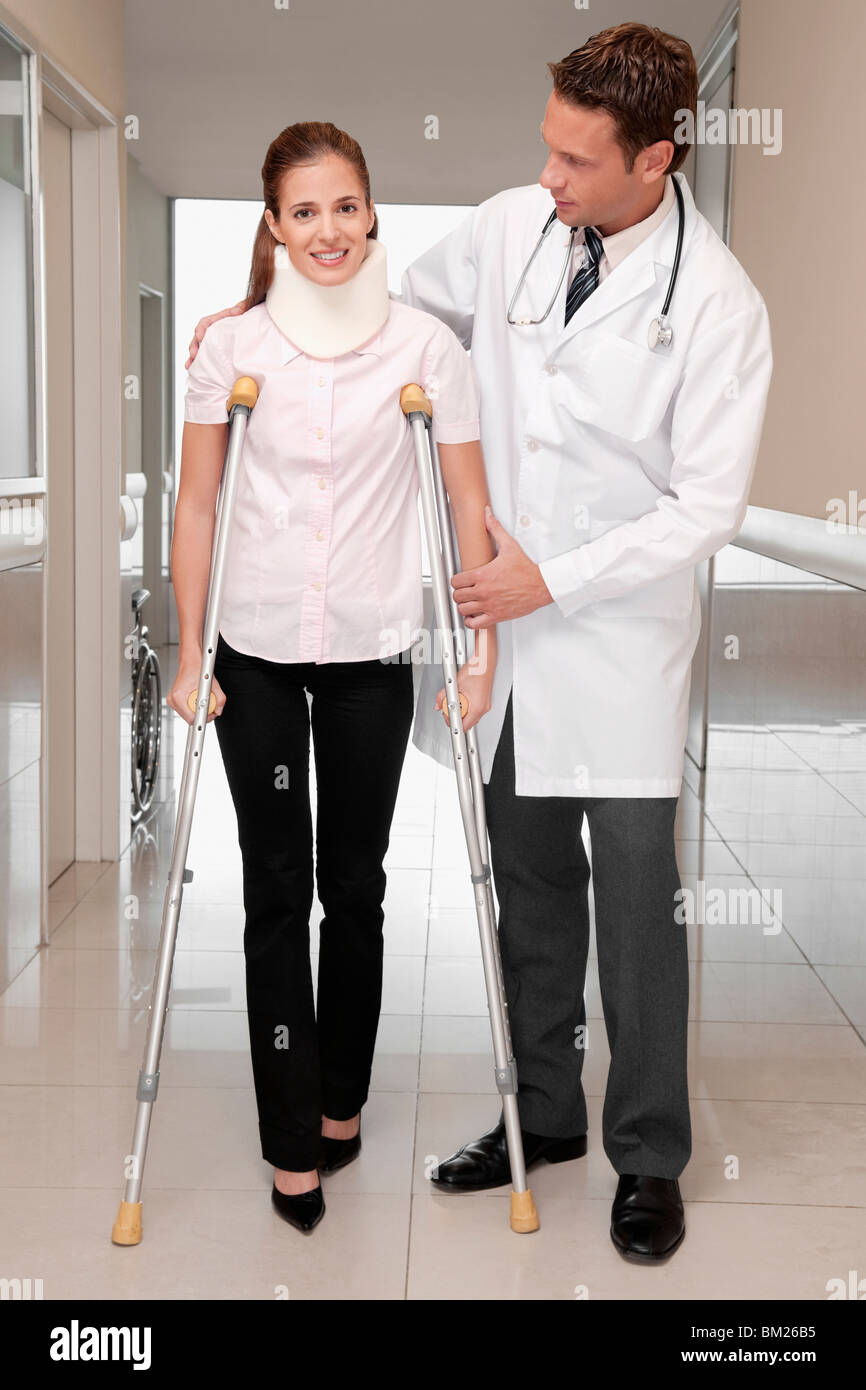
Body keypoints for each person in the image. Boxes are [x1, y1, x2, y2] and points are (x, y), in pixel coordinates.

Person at [187, 24, 774, 1262]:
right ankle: (544, 1118)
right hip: (498, 647)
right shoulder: (513, 223)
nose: (546, 177)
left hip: (613, 641)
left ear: (656, 156)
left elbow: (705, 509)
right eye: (545, 146)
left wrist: (547, 578)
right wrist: (252, 309)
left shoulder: (715, 303)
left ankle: (647, 1153)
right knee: (528, 898)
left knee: (633, 908)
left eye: (574, 158)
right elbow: (380, 299)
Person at [170, 120, 497, 1235]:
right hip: (251, 653)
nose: (327, 229)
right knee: (274, 890)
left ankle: (344, 1095)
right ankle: (290, 1133)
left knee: (353, 888)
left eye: (345, 206)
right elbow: (199, 503)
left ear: (372, 215)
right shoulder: (228, 349)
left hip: (369, 656)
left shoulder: (424, 352)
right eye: (303, 211)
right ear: (272, 225)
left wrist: (482, 645)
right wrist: (184, 648)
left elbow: (463, 506)